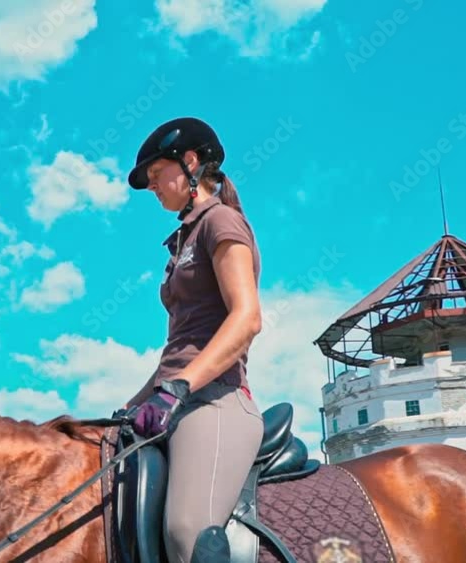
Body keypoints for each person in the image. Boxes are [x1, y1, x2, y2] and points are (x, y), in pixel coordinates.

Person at [121, 117, 265, 563]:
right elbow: (179, 350)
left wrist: (178, 388)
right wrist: (137, 402)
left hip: (216, 401)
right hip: (177, 401)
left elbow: (247, 318)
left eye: (156, 175)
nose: (152, 188)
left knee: (186, 532)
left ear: (190, 163)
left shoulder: (221, 221)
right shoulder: (181, 240)